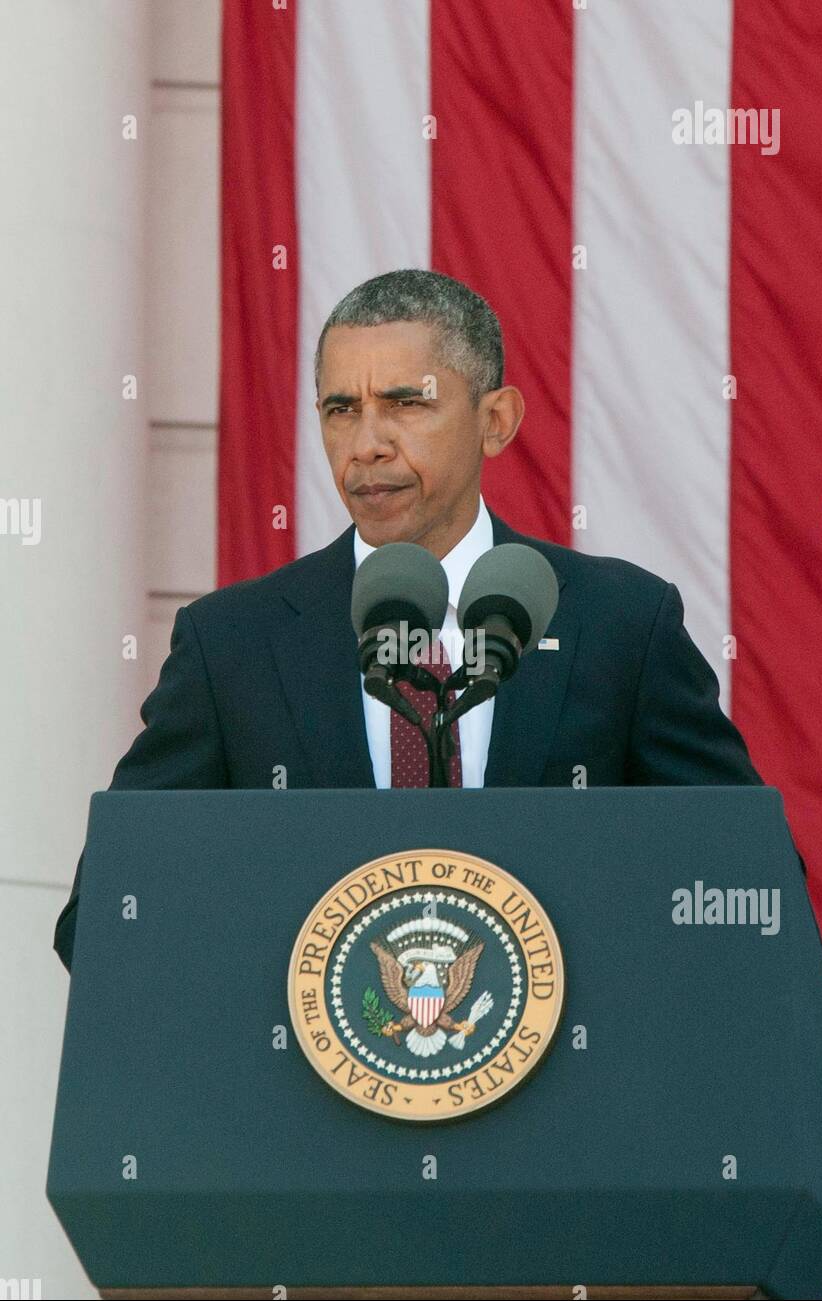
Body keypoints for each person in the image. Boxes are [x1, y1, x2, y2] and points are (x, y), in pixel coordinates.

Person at [53, 268, 765, 973]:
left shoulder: (620, 625)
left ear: (495, 421)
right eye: (340, 410)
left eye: (404, 403)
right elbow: (107, 914)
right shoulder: (232, 643)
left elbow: (744, 888)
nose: (366, 444)